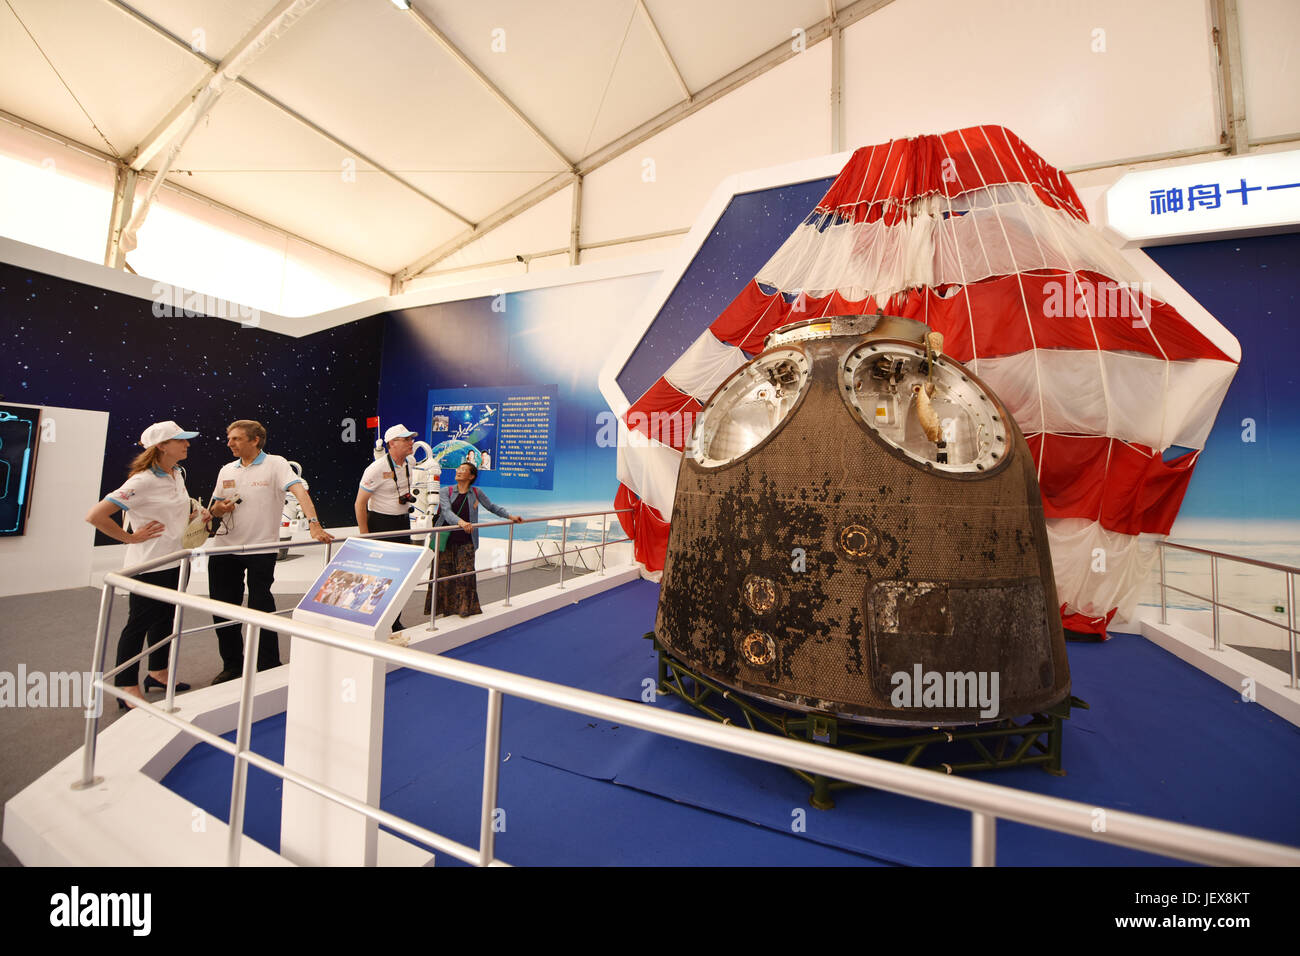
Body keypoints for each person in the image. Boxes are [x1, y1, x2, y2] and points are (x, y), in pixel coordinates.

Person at [84, 421, 205, 709]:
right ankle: (126, 687)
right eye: (181, 440)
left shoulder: (176, 474)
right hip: (148, 567)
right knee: (137, 626)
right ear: (162, 446)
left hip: (175, 562)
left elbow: (173, 510)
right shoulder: (142, 481)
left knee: (166, 621)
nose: (187, 444)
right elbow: (96, 515)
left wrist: (192, 519)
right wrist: (129, 537)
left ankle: (158, 673)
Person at [207, 419, 333, 683]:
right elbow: (215, 507)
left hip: (261, 548)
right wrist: (220, 509)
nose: (229, 443)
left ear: (255, 440)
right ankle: (232, 665)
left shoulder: (276, 464)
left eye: (236, 439)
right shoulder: (226, 469)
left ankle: (268, 663)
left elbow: (300, 493)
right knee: (222, 608)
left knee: (260, 604)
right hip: (224, 548)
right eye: (229, 438)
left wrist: (314, 524)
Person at [429, 461, 521, 617]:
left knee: (465, 574)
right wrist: (461, 522)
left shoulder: (477, 493)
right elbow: (446, 511)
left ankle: (465, 608)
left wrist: (510, 516)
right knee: (444, 575)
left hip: (466, 540)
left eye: (463, 470)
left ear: (471, 476)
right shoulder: (446, 491)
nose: (459, 471)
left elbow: (492, 507)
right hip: (445, 539)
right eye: (459, 468)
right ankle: (447, 609)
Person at [355, 424, 419, 629]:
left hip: (402, 523)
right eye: (406, 439)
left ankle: (394, 621)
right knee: (380, 577)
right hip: (381, 525)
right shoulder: (376, 468)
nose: (411, 442)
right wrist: (365, 536)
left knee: (400, 576)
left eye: (411, 439)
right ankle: (373, 621)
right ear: (392, 444)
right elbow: (359, 503)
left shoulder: (410, 461)